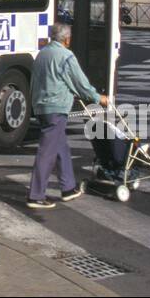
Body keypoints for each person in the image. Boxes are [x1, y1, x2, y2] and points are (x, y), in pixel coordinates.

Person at [28, 23, 107, 209]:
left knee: (61, 146)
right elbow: (81, 82)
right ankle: (35, 195)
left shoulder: (42, 53)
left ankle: (68, 187)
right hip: (56, 108)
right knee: (46, 152)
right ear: (67, 39)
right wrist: (97, 97)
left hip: (41, 106)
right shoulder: (65, 56)